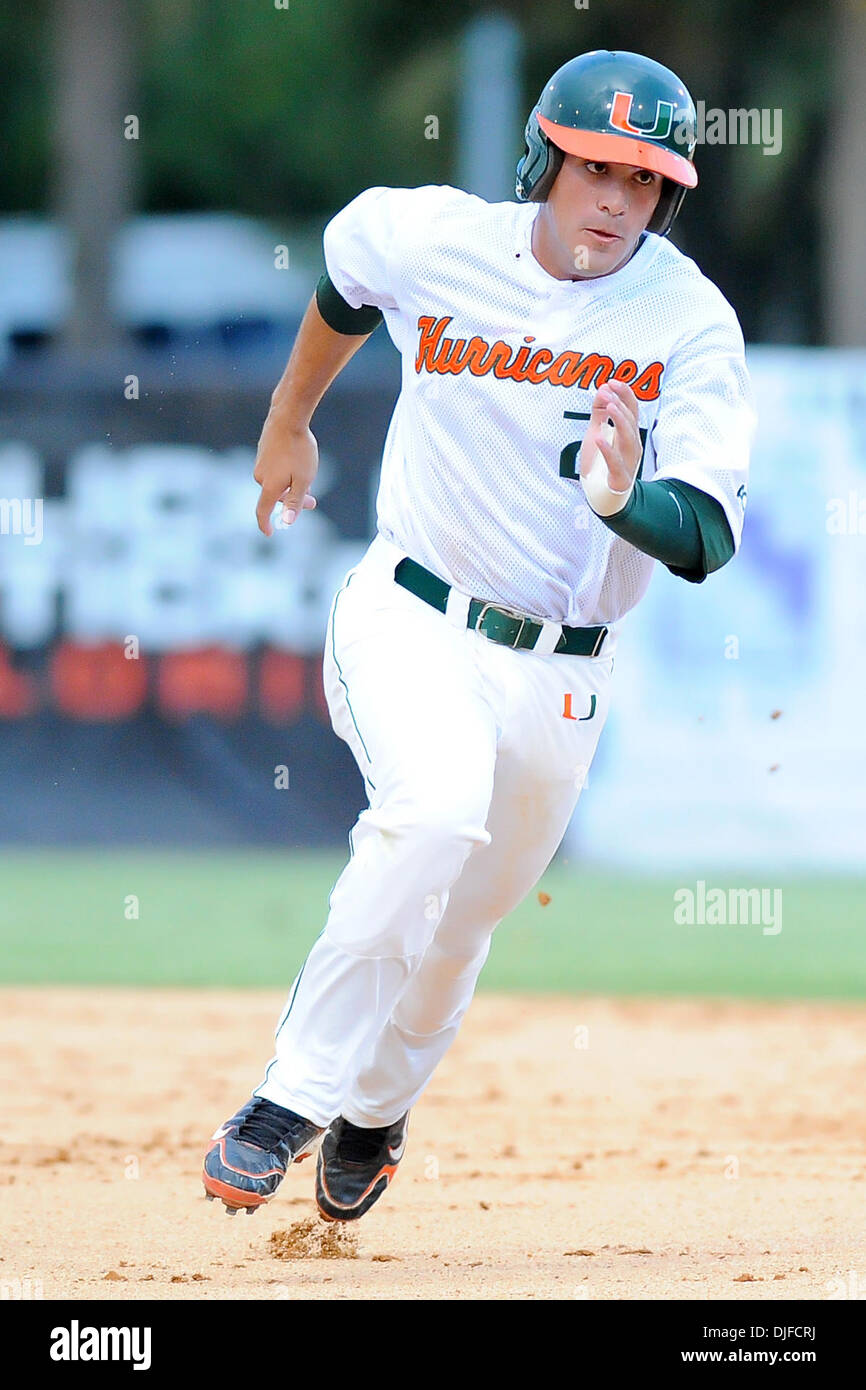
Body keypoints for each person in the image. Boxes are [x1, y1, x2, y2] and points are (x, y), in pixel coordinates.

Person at [202, 48, 756, 1223]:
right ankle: (291, 1096)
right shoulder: (435, 239)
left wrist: (624, 502)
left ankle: (373, 1112)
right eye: (594, 167)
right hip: (413, 606)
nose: (615, 199)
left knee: (460, 926)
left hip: (562, 671)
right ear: (541, 159)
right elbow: (346, 282)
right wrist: (287, 419)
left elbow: (706, 533)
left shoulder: (686, 320)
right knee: (431, 811)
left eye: (643, 179)